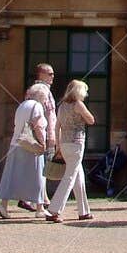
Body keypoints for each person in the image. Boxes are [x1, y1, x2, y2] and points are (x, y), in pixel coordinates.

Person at [0, 82, 52, 219]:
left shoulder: (22, 105)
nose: (46, 101)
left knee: (11, 176)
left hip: (16, 144)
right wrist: (42, 143)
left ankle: (3, 205)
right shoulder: (37, 106)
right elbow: (38, 126)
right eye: (45, 98)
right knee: (38, 176)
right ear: (41, 96)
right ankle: (40, 208)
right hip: (31, 145)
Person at [47, 79, 97, 222]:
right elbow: (91, 120)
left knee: (78, 177)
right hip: (76, 143)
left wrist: (58, 146)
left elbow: (57, 127)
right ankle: (54, 210)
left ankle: (84, 211)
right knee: (69, 177)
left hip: (64, 143)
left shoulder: (62, 105)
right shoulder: (78, 104)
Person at [18, 63, 58, 210]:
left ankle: (38, 198)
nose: (53, 76)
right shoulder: (42, 91)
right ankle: (39, 200)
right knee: (42, 167)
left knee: (37, 167)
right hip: (42, 134)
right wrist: (51, 136)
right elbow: (48, 113)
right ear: (41, 74)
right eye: (50, 73)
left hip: (35, 133)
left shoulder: (32, 90)